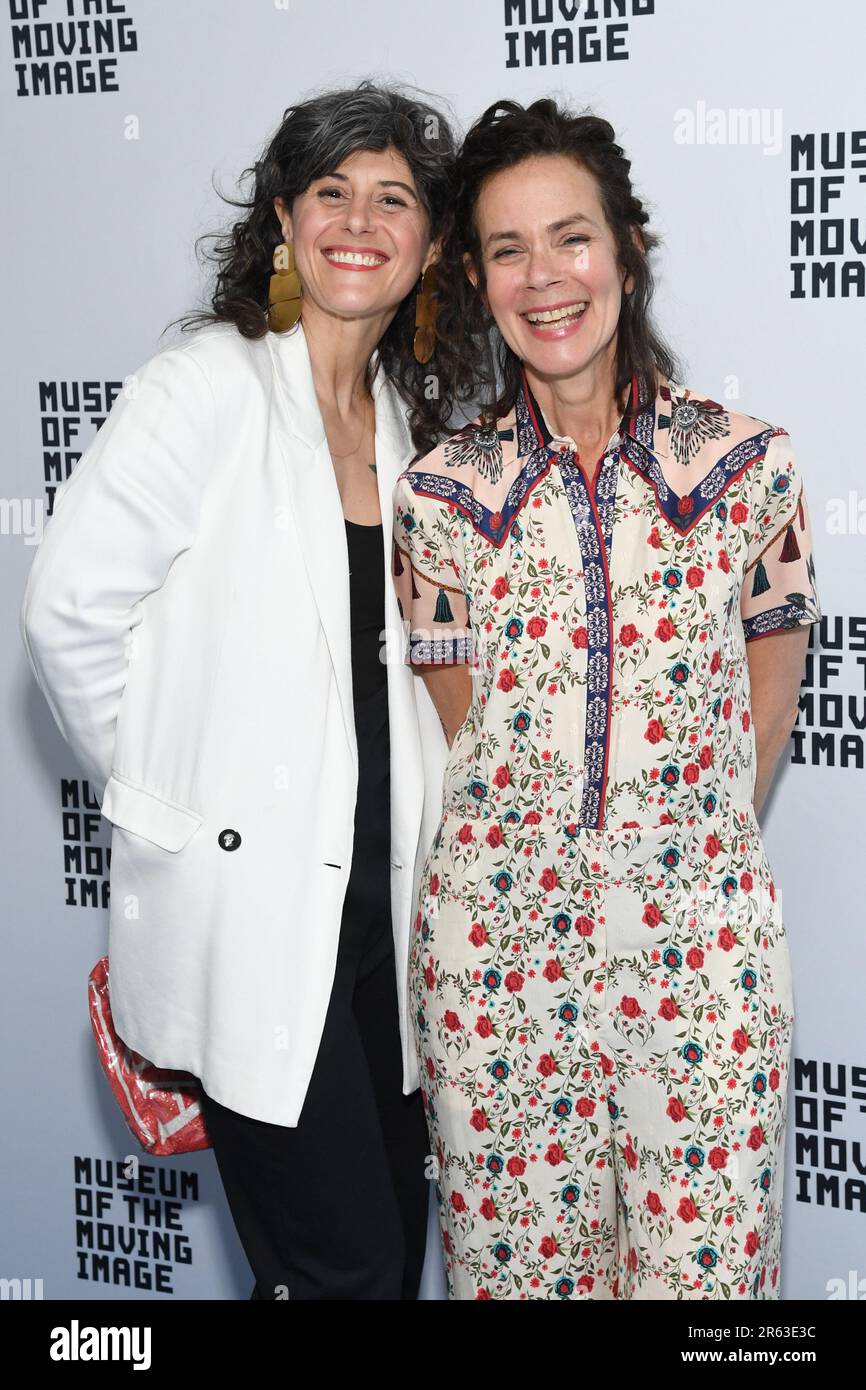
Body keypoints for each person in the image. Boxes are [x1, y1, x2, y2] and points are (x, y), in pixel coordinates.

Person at [20, 81, 457, 1300]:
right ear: (281, 219)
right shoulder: (208, 384)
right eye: (330, 193)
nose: (358, 221)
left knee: (378, 1257)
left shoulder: (400, 426)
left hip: (380, 934)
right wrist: (181, 802)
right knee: (348, 1271)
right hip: (256, 928)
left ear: (428, 244)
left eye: (393, 199)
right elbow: (68, 614)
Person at [390, 98, 821, 1300]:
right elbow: (464, 730)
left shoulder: (749, 466)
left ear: (627, 248)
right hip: (495, 975)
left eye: (570, 238)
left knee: (711, 1298)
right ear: (474, 280)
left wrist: (680, 853)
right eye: (508, 251)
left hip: (699, 959)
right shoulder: (437, 494)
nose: (546, 278)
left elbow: (766, 687)